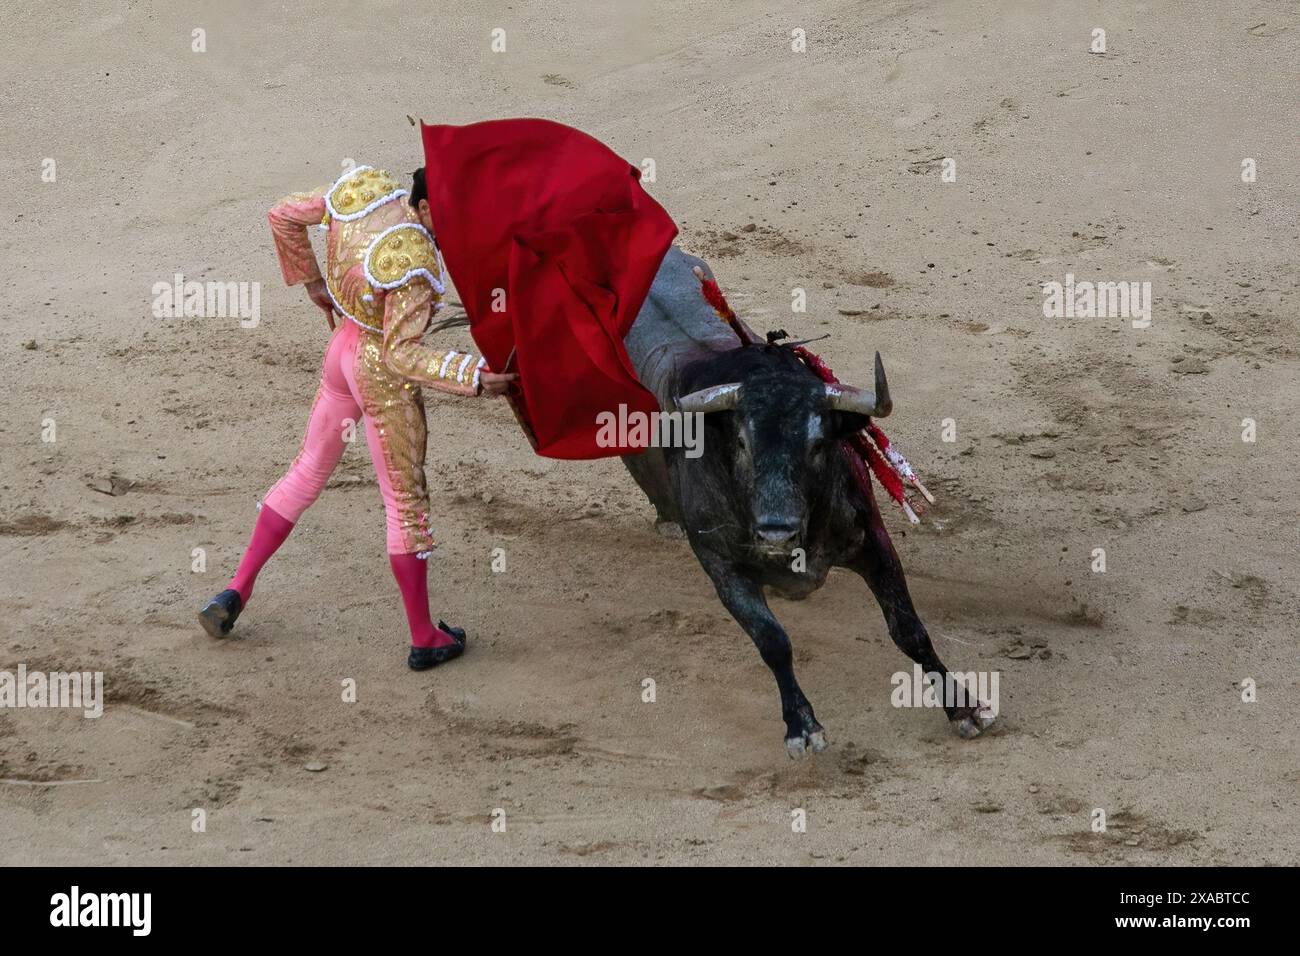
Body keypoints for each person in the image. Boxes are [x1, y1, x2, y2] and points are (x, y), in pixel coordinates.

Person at [198, 164, 516, 669]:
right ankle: (423, 638)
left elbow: (283, 215)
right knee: (405, 503)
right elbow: (402, 356)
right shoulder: (413, 263)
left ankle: (235, 590)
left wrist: (313, 285)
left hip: (341, 347)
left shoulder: (364, 188)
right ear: (428, 209)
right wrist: (473, 375)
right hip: (378, 374)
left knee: (307, 470)